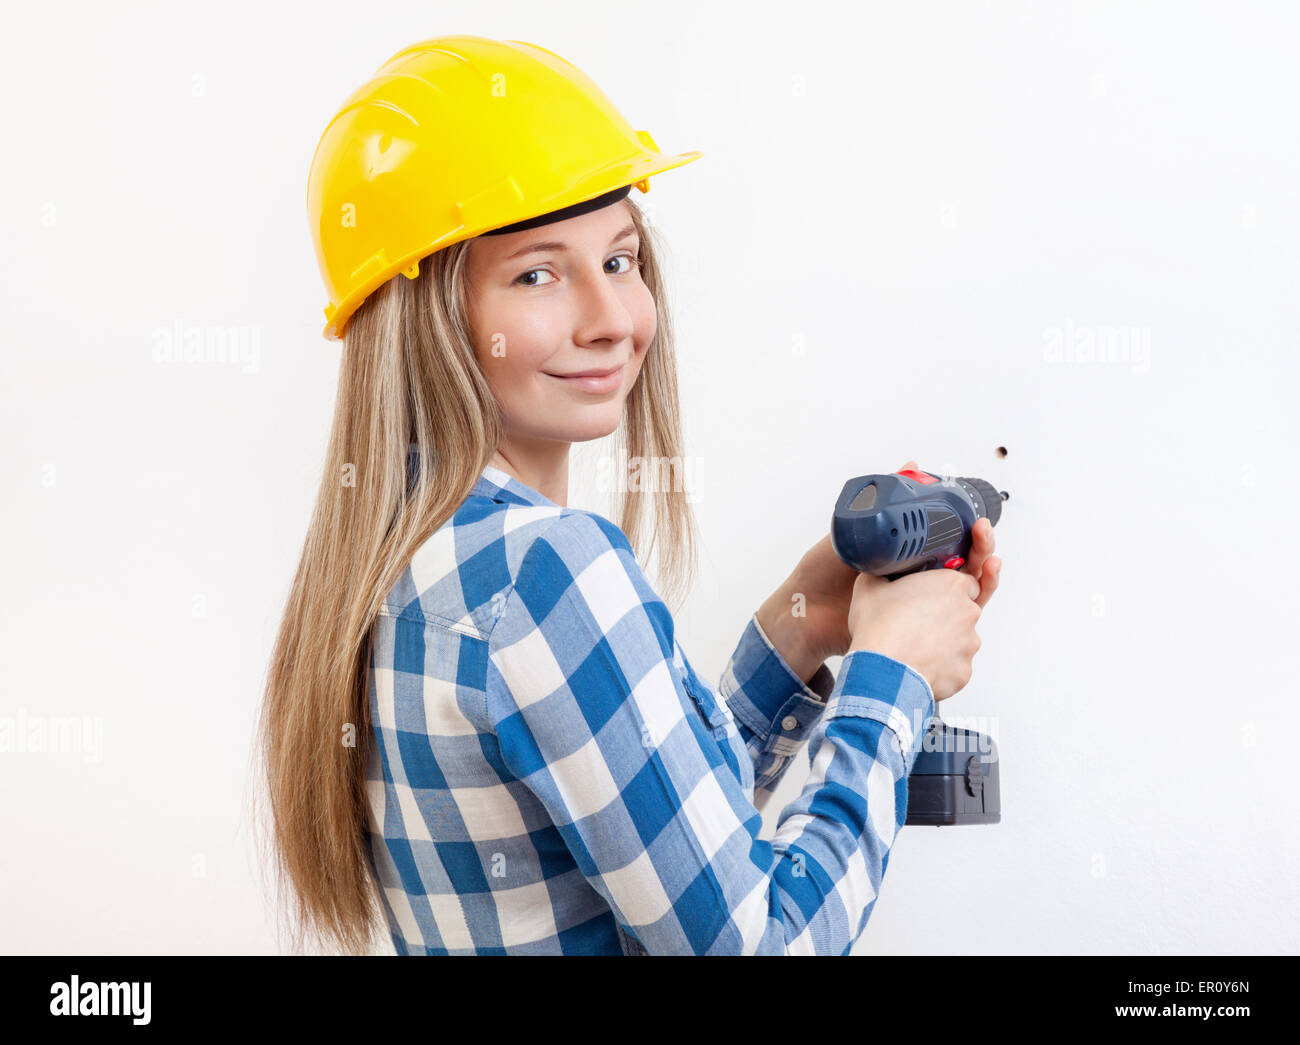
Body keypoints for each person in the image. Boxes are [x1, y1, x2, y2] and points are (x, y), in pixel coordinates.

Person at [255, 35, 1001, 956]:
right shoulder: (544, 569)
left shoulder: (402, 560)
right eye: (537, 272)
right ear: (430, 318)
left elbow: (645, 831)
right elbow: (761, 944)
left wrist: (805, 624)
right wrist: (895, 679)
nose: (613, 319)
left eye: (619, 259)